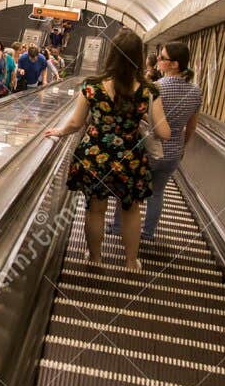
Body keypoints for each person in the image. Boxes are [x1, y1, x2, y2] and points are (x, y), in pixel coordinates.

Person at [43, 30, 172, 269]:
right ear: (139, 58)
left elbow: (75, 123)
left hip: (94, 155)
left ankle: (95, 258)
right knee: (131, 210)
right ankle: (132, 262)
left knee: (95, 210)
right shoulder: (148, 91)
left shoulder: (92, 86)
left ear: (111, 55)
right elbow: (164, 133)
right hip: (130, 158)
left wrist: (58, 132)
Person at [143, 40, 203, 244]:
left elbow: (145, 117)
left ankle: (117, 227)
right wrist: (182, 148)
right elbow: (192, 127)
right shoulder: (196, 92)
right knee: (157, 192)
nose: (158, 60)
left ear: (175, 64)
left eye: (162, 58)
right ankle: (148, 232)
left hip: (149, 149)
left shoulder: (156, 87)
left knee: (131, 191)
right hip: (173, 153)